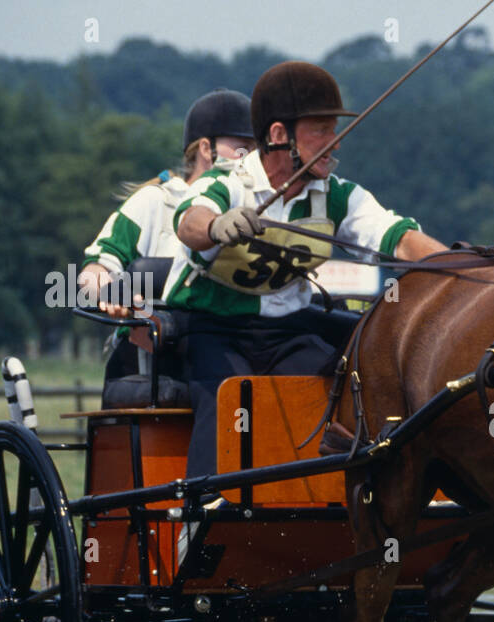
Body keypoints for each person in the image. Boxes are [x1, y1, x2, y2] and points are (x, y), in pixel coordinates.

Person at [163, 61, 447, 477]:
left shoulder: (339, 196)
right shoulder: (227, 184)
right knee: (232, 398)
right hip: (212, 328)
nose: (335, 142)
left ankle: (333, 500)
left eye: (335, 129)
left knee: (337, 389)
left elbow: (398, 237)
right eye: (321, 130)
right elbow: (190, 221)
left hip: (286, 332)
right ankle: (201, 514)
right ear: (279, 136)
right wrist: (216, 225)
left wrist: (464, 263)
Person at [77, 89, 257, 379]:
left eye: (257, 151)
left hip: (234, 354)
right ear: (205, 149)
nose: (250, 160)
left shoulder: (256, 211)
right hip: (154, 361)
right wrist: (112, 290)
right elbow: (93, 270)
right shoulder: (155, 202)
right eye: (242, 148)